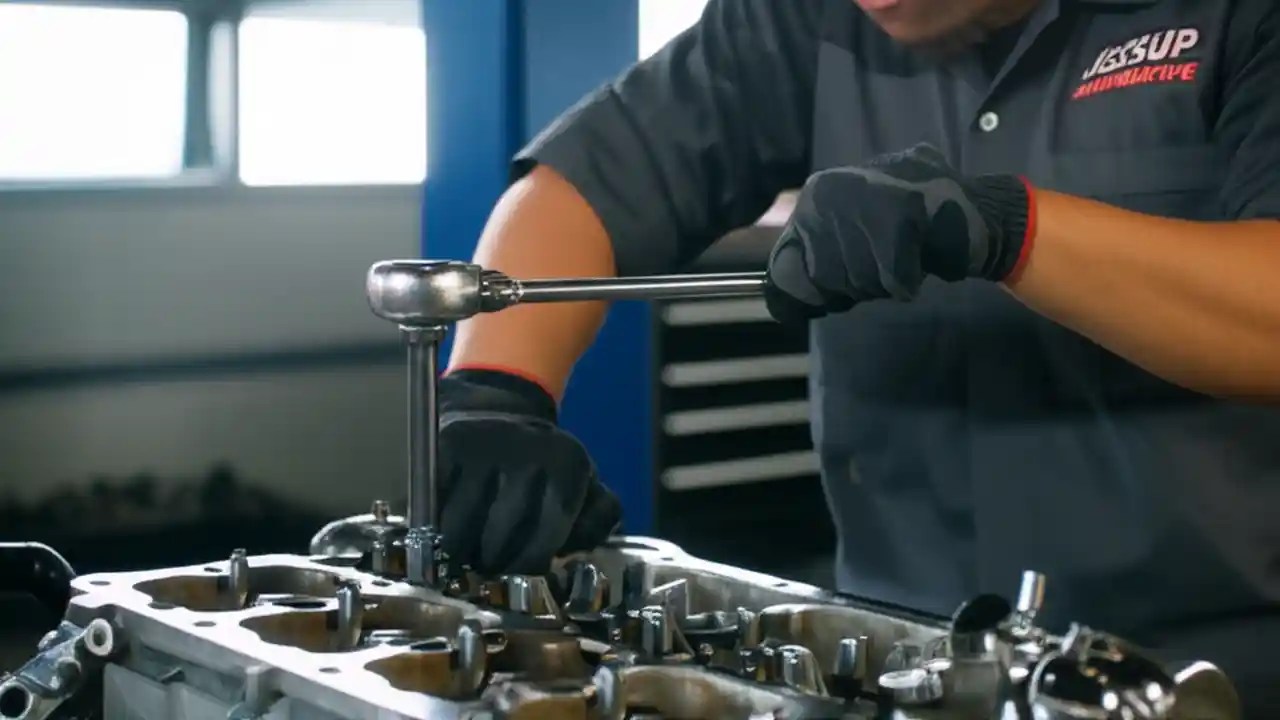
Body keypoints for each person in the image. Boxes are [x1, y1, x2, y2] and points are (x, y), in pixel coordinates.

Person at [433, 0, 1280, 714]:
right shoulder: (806, 20)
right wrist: (495, 389)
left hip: (1207, 680)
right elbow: (583, 187)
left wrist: (1005, 230)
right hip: (894, 664)